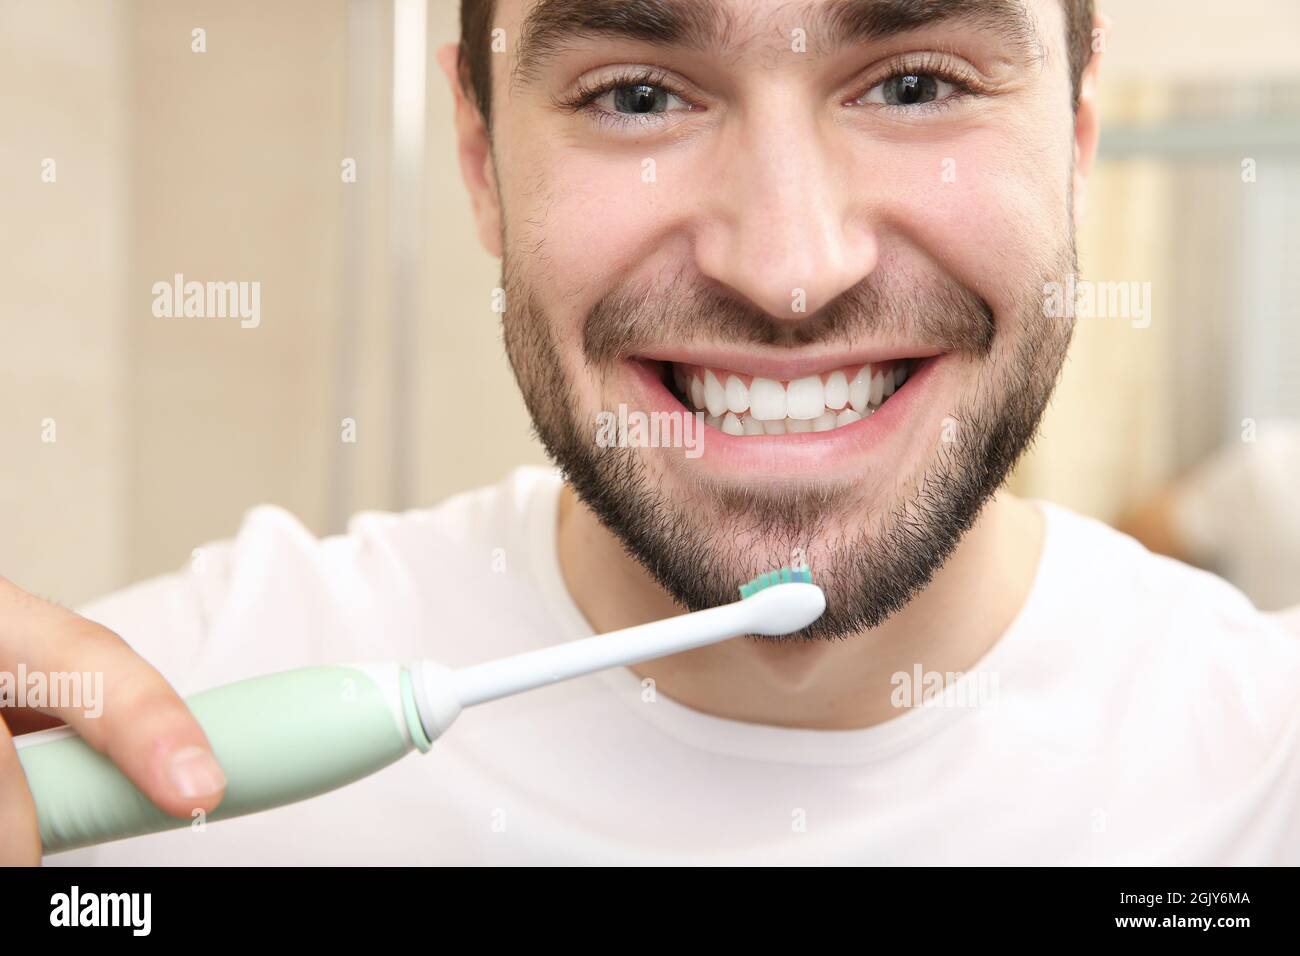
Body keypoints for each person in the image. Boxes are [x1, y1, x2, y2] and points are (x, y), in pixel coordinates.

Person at [5, 0, 1299, 865]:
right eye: (635, 97)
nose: (790, 270)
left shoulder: (1266, 768)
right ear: (478, 159)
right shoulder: (153, 736)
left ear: (1077, 139)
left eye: (914, 83)